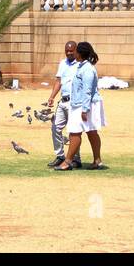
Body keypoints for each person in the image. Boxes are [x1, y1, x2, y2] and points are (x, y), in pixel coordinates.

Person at [55, 41, 106, 171]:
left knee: (75, 132)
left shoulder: (88, 69)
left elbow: (87, 91)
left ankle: (67, 162)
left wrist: (85, 109)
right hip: (81, 103)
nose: (74, 53)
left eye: (76, 50)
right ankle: (97, 161)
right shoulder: (81, 67)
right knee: (91, 132)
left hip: (84, 105)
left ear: (80, 53)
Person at [44, 41, 81, 169]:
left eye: (71, 51)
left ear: (76, 50)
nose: (69, 53)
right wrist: (52, 97)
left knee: (73, 131)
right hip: (62, 101)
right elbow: (59, 81)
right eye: (67, 51)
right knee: (56, 127)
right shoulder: (63, 63)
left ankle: (76, 159)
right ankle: (60, 156)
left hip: (74, 102)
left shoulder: (80, 65)